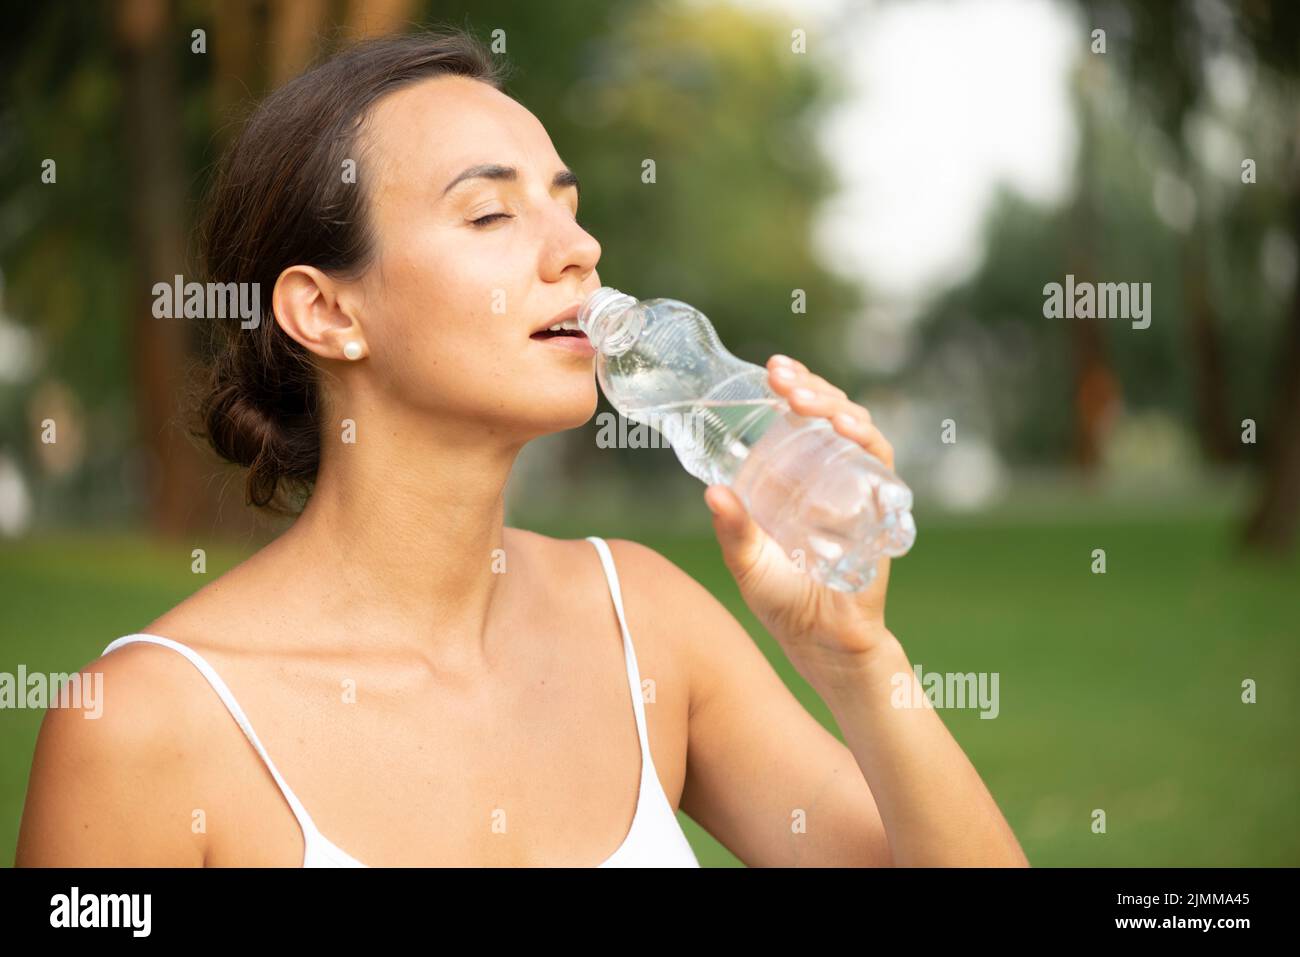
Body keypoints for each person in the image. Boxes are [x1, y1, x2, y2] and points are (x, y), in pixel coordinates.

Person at [16, 28, 1027, 868]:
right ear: (325, 311)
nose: (577, 252)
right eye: (491, 212)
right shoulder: (147, 725)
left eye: (569, 207)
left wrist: (857, 660)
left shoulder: (648, 626)